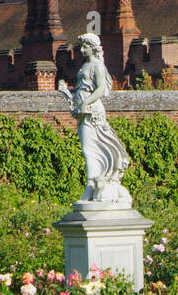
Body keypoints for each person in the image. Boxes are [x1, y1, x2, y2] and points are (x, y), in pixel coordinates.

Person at [57, 33, 132, 207]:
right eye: (81, 46)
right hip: (84, 112)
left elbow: (101, 89)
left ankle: (91, 186)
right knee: (87, 149)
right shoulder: (85, 65)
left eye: (85, 46)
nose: (82, 50)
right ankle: (93, 184)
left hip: (93, 112)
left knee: (89, 150)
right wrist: (66, 92)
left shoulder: (97, 65)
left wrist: (86, 102)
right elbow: (82, 90)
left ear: (93, 47)